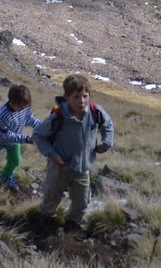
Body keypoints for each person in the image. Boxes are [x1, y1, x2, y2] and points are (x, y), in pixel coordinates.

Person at [35, 73, 114, 231]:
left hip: (83, 168)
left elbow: (108, 125)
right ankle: (45, 220)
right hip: (60, 166)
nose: (81, 101)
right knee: (52, 196)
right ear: (66, 97)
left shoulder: (95, 112)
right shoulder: (59, 116)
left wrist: (106, 143)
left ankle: (71, 223)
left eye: (85, 96)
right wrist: (53, 155)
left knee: (82, 202)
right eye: (76, 97)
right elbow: (38, 135)